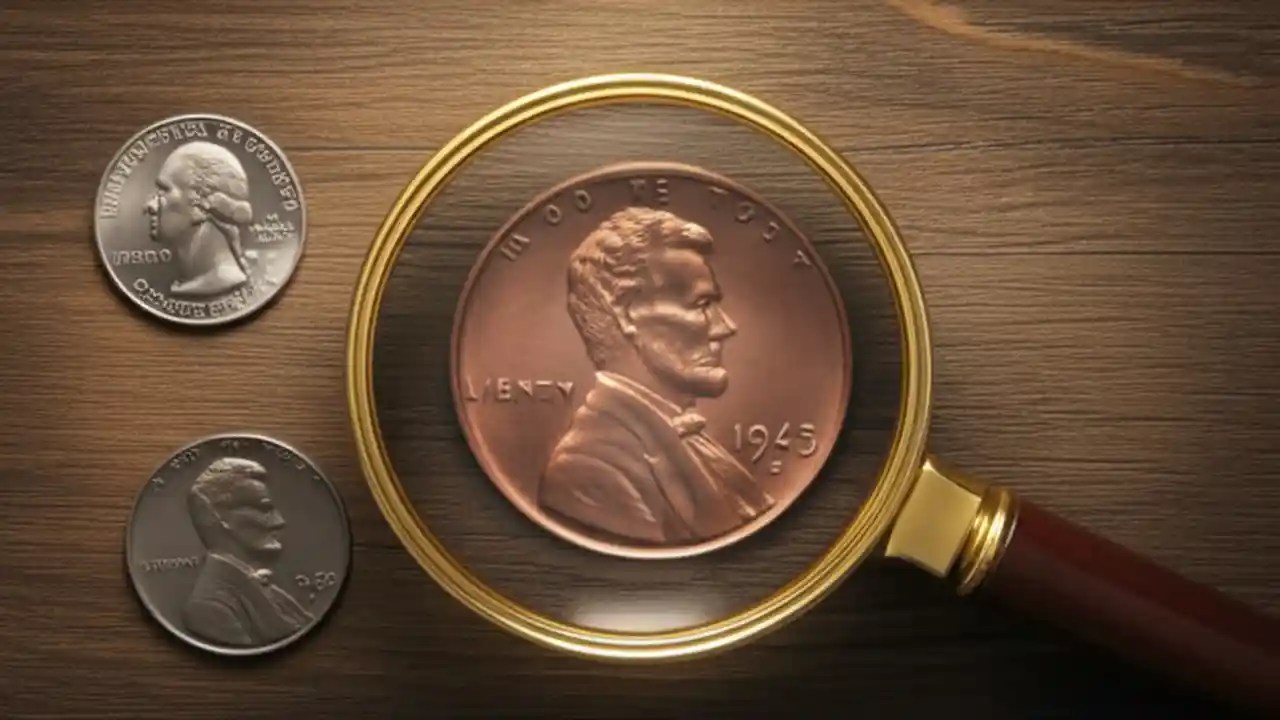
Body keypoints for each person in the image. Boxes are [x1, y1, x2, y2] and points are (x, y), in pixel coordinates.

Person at [539, 206, 774, 546]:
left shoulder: (681, 437)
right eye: (701, 304)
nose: (726, 327)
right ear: (628, 313)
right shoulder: (587, 469)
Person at [181, 457, 313, 647]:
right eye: (263, 508)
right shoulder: (208, 608)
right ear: (216, 515)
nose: (279, 521)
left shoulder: (269, 589)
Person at [145, 141, 254, 296]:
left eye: (164, 191)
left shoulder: (223, 278)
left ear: (201, 203)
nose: (150, 206)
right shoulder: (187, 281)